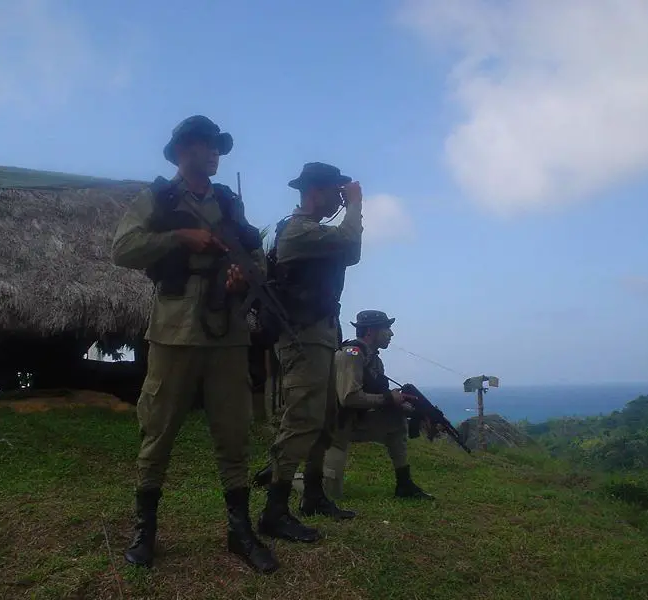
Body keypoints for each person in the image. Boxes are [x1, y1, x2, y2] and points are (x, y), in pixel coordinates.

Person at [111, 115, 278, 574]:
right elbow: (123, 248)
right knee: (158, 429)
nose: (216, 153)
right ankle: (145, 531)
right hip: (175, 330)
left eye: (219, 147)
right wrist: (179, 237)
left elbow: (255, 255)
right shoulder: (158, 199)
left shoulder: (228, 201)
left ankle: (239, 530)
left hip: (227, 332)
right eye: (209, 146)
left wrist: (243, 275)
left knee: (234, 431)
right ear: (185, 150)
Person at [255, 162, 363, 543]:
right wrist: (356, 204)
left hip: (320, 334)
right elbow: (350, 245)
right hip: (302, 338)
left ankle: (313, 495)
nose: (339, 199)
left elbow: (347, 250)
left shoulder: (311, 231)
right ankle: (274, 510)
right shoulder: (298, 231)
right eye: (335, 192)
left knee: (324, 418)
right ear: (315, 192)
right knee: (301, 419)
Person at [323, 310, 434, 500]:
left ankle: (404, 484)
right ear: (371, 331)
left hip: (354, 422)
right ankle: (291, 479)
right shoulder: (351, 354)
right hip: (333, 429)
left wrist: (415, 412)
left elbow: (380, 396)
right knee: (330, 493)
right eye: (386, 328)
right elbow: (349, 398)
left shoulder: (374, 360)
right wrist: (389, 399)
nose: (391, 334)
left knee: (396, 420)